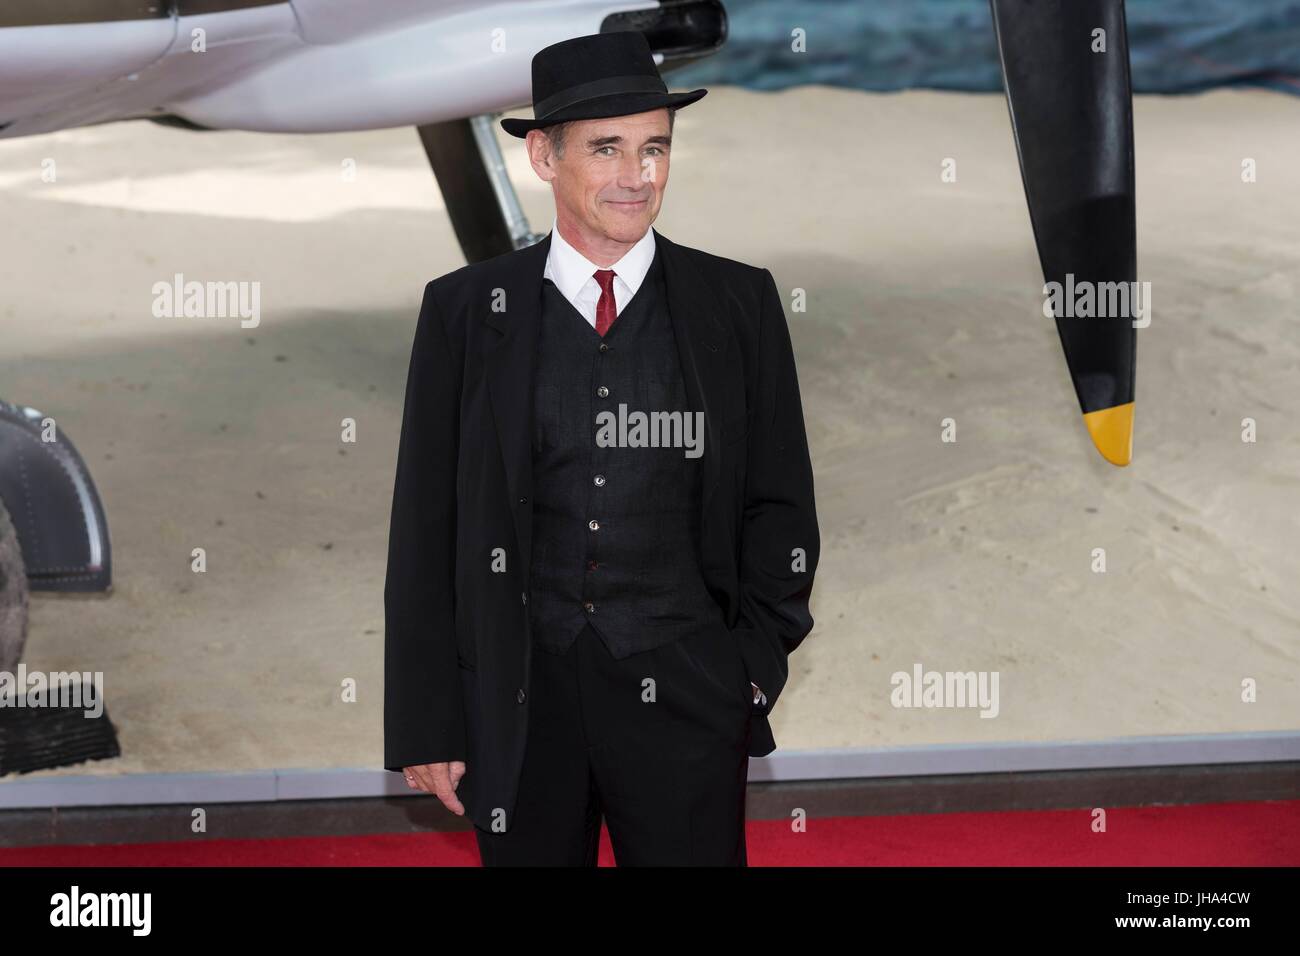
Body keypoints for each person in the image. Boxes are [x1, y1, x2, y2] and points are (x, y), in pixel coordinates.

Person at [384, 30, 819, 865]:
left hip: (687, 687)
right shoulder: (466, 312)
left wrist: (750, 667)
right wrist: (429, 718)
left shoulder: (738, 303)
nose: (637, 175)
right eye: (608, 148)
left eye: (655, 147)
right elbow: (424, 529)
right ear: (544, 156)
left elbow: (782, 504)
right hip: (520, 695)